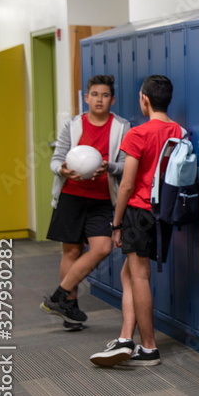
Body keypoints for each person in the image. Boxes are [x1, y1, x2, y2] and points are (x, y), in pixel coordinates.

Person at [90, 75, 184, 368]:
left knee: (139, 276)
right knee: (129, 274)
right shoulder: (179, 131)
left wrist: (116, 224)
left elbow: (127, 184)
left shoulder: (137, 134)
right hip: (163, 213)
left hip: (137, 212)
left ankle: (149, 347)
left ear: (144, 99)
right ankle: (125, 338)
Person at [41, 75, 130, 330]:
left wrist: (109, 167)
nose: (99, 99)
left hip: (102, 200)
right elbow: (56, 159)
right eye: (94, 94)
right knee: (71, 251)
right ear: (86, 97)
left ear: (112, 99)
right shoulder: (74, 125)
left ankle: (59, 296)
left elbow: (125, 164)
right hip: (71, 196)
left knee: (102, 248)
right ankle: (69, 307)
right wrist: (63, 170)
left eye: (104, 95)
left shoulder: (122, 127)